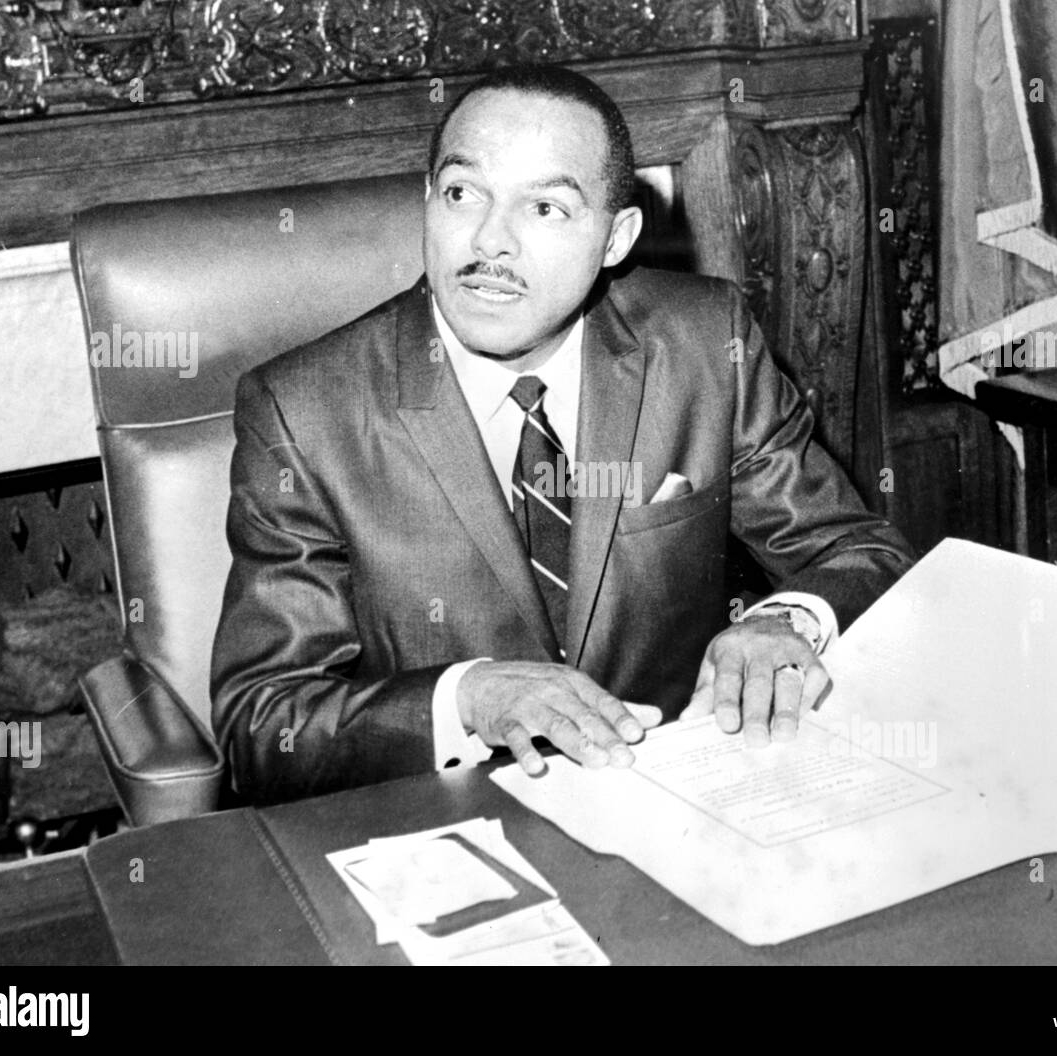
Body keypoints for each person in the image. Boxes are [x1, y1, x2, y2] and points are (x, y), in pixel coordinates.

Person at [211, 64, 914, 804]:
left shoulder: (707, 346)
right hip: (448, 832)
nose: (490, 242)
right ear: (426, 202)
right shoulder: (304, 410)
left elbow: (861, 550)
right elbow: (262, 726)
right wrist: (464, 701)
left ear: (617, 238)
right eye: (462, 194)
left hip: (679, 805)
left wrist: (786, 624)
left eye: (545, 208)